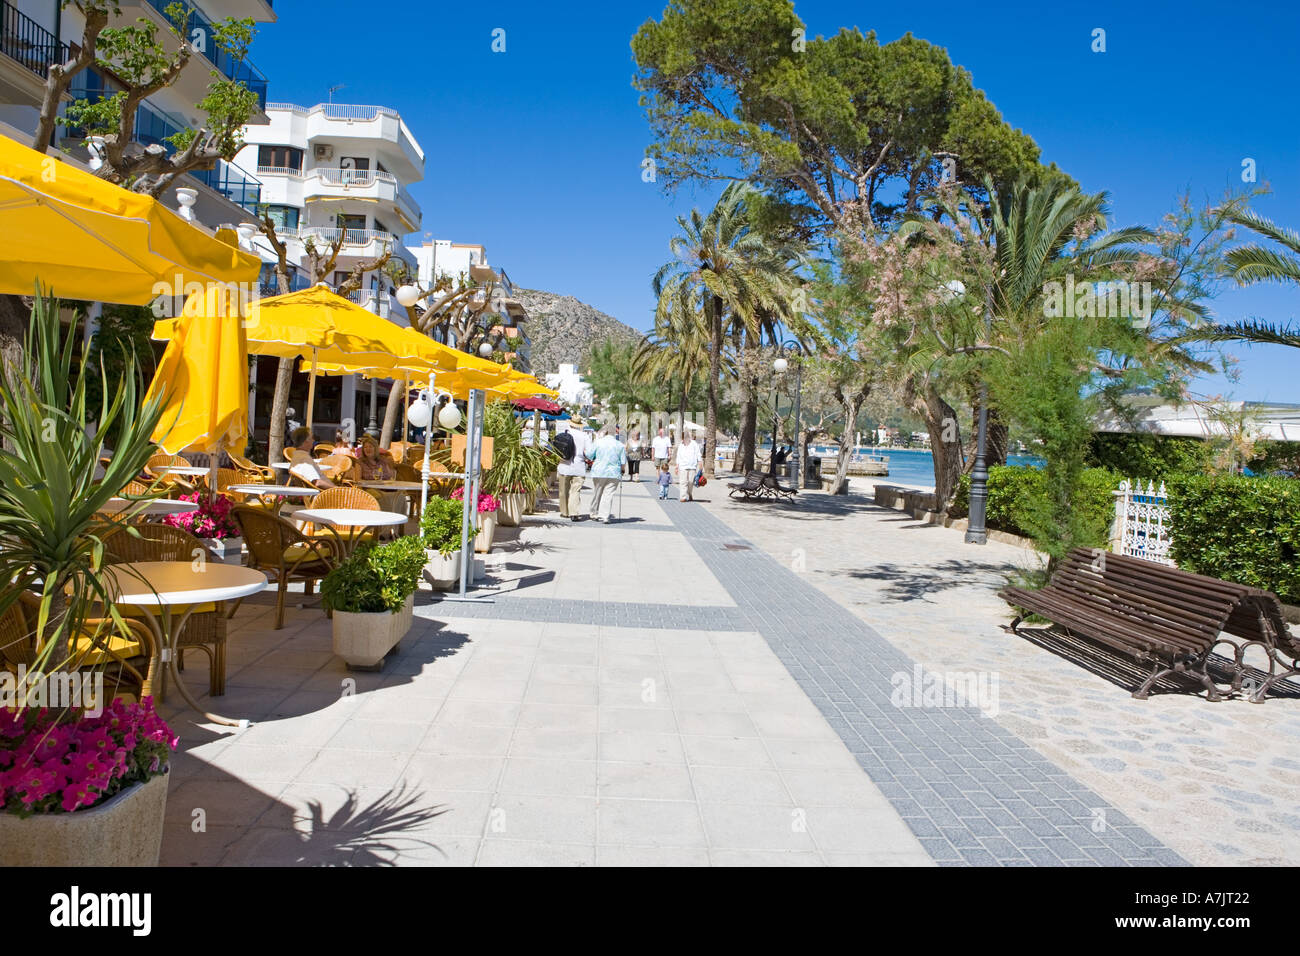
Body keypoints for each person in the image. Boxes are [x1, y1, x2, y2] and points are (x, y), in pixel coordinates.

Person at [588, 424, 627, 522]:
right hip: (614, 473)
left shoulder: (598, 442)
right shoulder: (619, 445)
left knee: (597, 492)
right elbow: (623, 461)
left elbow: (589, 455)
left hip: (599, 471)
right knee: (608, 495)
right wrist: (622, 470)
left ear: (605, 432)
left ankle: (594, 513)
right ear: (615, 433)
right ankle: (605, 516)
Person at [554, 422, 590, 521]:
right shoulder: (584, 436)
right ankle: (574, 513)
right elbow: (589, 452)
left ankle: (564, 512)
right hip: (579, 466)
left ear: (570, 424)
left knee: (563, 490)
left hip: (564, 465)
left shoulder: (563, 433)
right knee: (575, 490)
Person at [675, 430, 702, 502]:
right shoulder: (681, 445)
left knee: (690, 482)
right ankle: (683, 497)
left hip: (692, 466)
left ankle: (689, 493)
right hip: (683, 466)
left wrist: (700, 463)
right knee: (683, 482)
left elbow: (698, 454)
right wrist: (677, 466)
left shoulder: (694, 444)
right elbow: (678, 456)